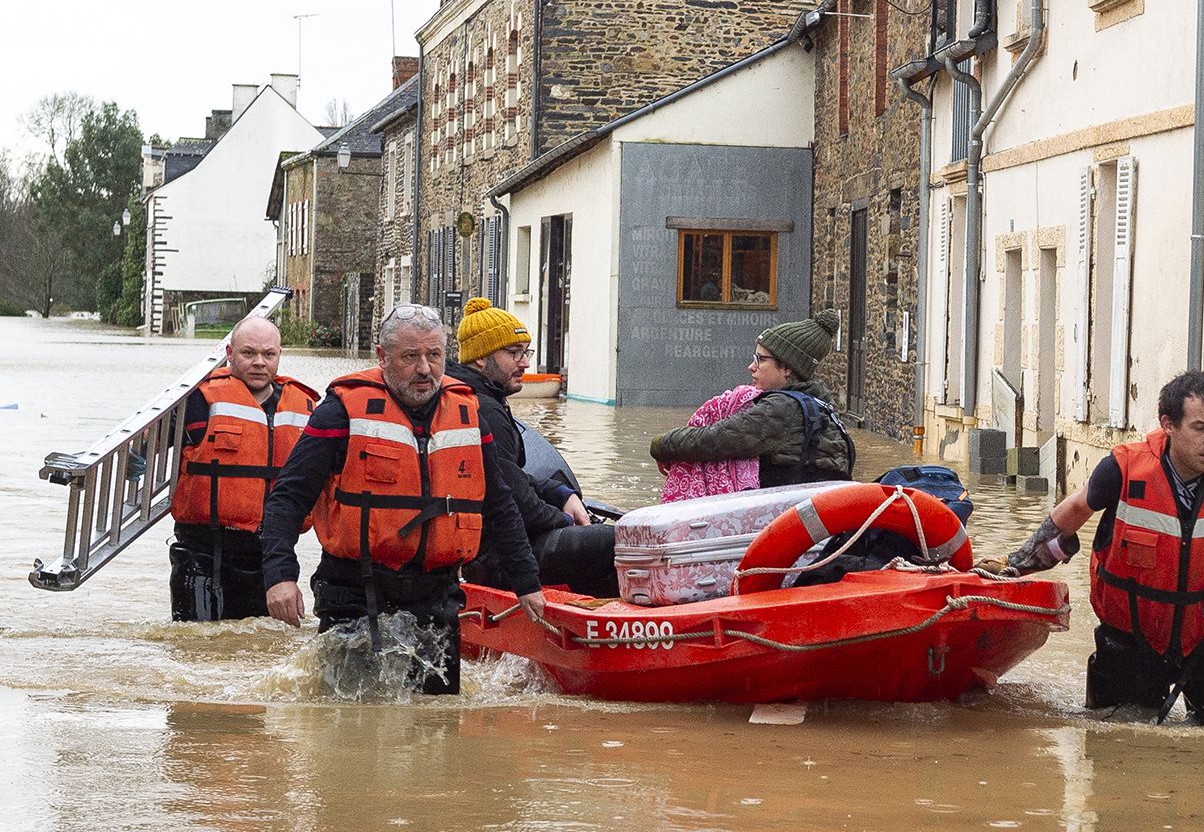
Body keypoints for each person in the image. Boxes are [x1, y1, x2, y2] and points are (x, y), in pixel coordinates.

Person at [984, 371, 1204, 724]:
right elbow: (1072, 513)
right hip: (1131, 642)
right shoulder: (1123, 468)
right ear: (1168, 425)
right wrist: (1016, 565)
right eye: (1200, 428)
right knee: (1114, 746)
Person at [258, 303, 546, 695]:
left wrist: (527, 582)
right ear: (382, 357)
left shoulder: (469, 414)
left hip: (436, 592)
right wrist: (280, 576)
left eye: (434, 356)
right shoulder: (341, 412)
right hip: (355, 589)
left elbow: (499, 504)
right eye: (411, 357)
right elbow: (287, 498)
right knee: (349, 728)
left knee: (437, 725)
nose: (425, 369)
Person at [447, 297, 619, 597]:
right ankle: (605, 628)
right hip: (497, 557)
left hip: (483, 548)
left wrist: (560, 493)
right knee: (615, 540)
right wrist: (569, 522)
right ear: (480, 358)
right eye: (514, 353)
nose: (525, 363)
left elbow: (507, 475)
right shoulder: (486, 410)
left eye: (526, 353)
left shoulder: (472, 397)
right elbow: (518, 503)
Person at [167, 316, 318, 622]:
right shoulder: (198, 400)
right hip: (202, 553)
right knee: (197, 647)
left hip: (269, 555)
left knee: (258, 654)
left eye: (269, 354)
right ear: (230, 353)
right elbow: (148, 444)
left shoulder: (306, 408)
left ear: (279, 355)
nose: (260, 363)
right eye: (249, 354)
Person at [649, 308, 855, 487]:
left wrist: (662, 446)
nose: (752, 366)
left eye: (761, 359)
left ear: (787, 368)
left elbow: (717, 438)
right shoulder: (822, 406)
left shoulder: (783, 409)